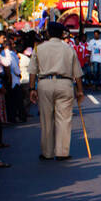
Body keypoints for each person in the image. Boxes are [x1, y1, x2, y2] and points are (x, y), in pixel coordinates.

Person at [28, 22, 84, 160]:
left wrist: (31, 89)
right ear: (62, 34)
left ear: (48, 33)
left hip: (44, 83)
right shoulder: (69, 49)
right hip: (65, 83)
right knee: (64, 119)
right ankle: (62, 153)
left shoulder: (39, 49)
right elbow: (77, 73)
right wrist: (80, 91)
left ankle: (47, 153)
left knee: (46, 120)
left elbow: (32, 71)